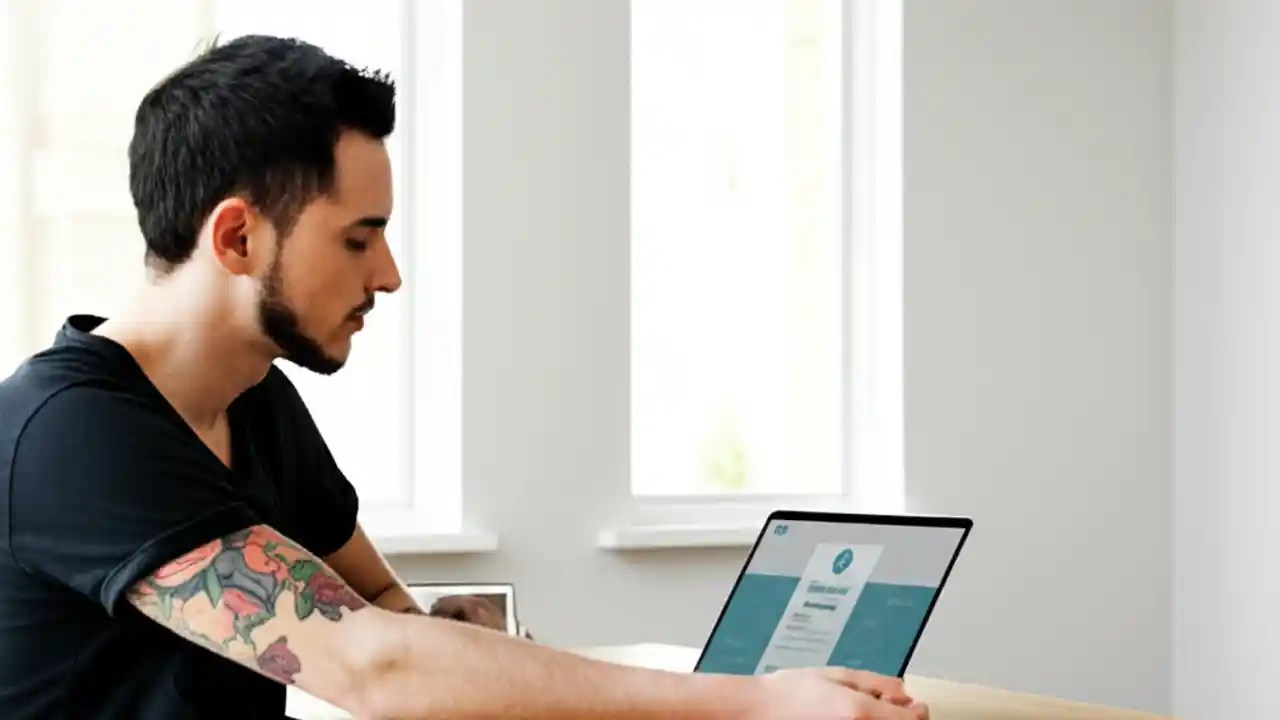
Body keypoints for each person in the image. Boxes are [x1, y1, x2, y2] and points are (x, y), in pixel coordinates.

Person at [0, 35, 930, 720]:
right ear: (238, 237)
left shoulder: (257, 404)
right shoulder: (69, 433)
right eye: (359, 238)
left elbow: (390, 617)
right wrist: (756, 705)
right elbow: (374, 665)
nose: (388, 274)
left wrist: (459, 630)